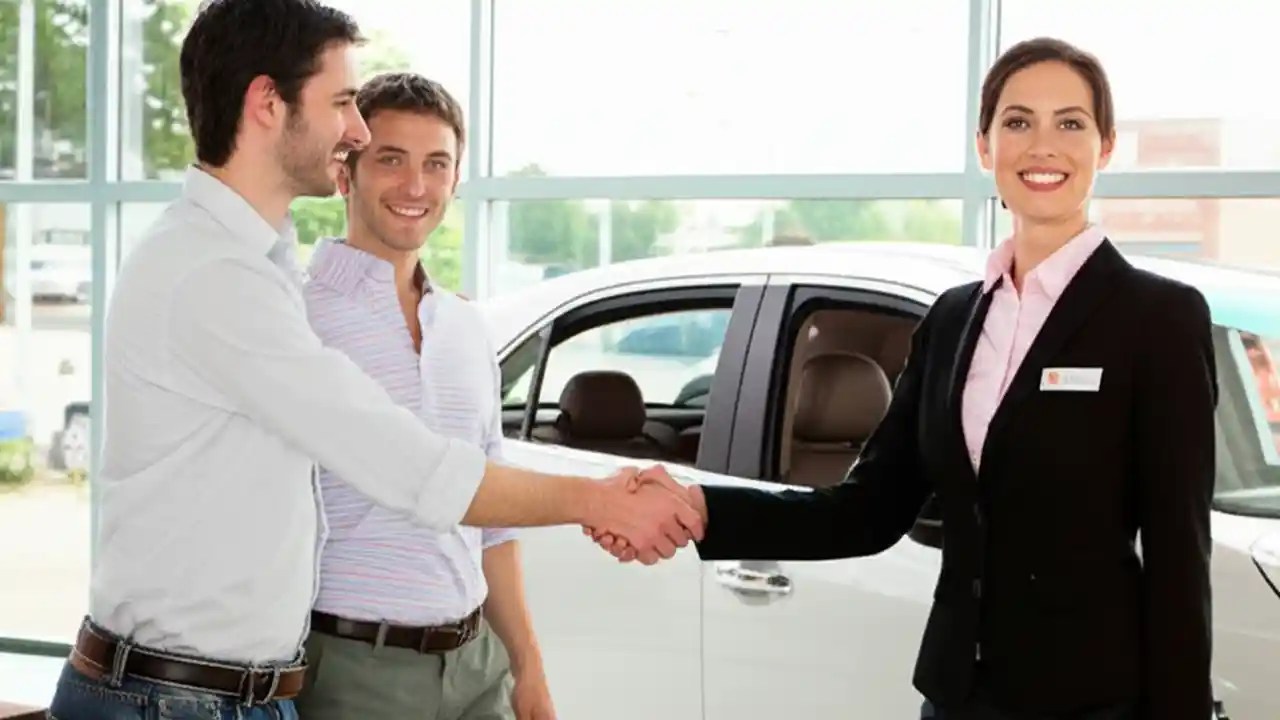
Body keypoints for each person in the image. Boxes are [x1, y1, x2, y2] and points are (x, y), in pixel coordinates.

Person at [47, 2, 698, 719]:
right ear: (268, 104)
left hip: (230, 694)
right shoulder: (218, 278)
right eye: (342, 104)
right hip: (177, 701)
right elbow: (406, 465)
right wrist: (598, 499)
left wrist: (525, 658)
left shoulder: (251, 265)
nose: (354, 131)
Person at [595, 36, 1216, 720]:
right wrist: (701, 508)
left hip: (1094, 703)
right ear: (985, 147)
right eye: (1017, 122)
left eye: (1070, 123)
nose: (1043, 145)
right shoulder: (953, 321)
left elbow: (1179, 558)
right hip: (957, 697)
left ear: (1104, 147)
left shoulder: (1157, 319)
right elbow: (867, 512)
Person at [293, 73, 553, 720]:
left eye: (435, 164)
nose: (415, 186)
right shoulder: (298, 316)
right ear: (344, 172)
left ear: (456, 178)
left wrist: (528, 666)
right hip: (353, 671)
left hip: (476, 668)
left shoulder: (466, 326)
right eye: (391, 160)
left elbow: (492, 520)